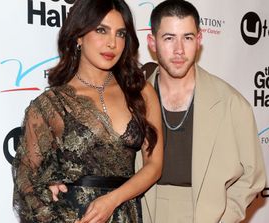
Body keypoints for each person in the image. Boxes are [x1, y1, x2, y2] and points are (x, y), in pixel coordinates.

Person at [11, 0, 163, 222]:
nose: (112, 43)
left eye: (120, 34)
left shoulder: (140, 91)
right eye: (101, 30)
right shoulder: (51, 103)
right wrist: (50, 184)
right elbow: (26, 178)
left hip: (125, 212)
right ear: (79, 36)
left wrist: (113, 200)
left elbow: (155, 166)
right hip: (75, 216)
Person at [137, 0, 267, 223]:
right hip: (146, 210)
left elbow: (253, 176)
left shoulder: (231, 103)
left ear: (199, 40)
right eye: (169, 38)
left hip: (208, 214)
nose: (179, 50)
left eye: (187, 38)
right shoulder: (133, 101)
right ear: (152, 42)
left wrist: (225, 217)